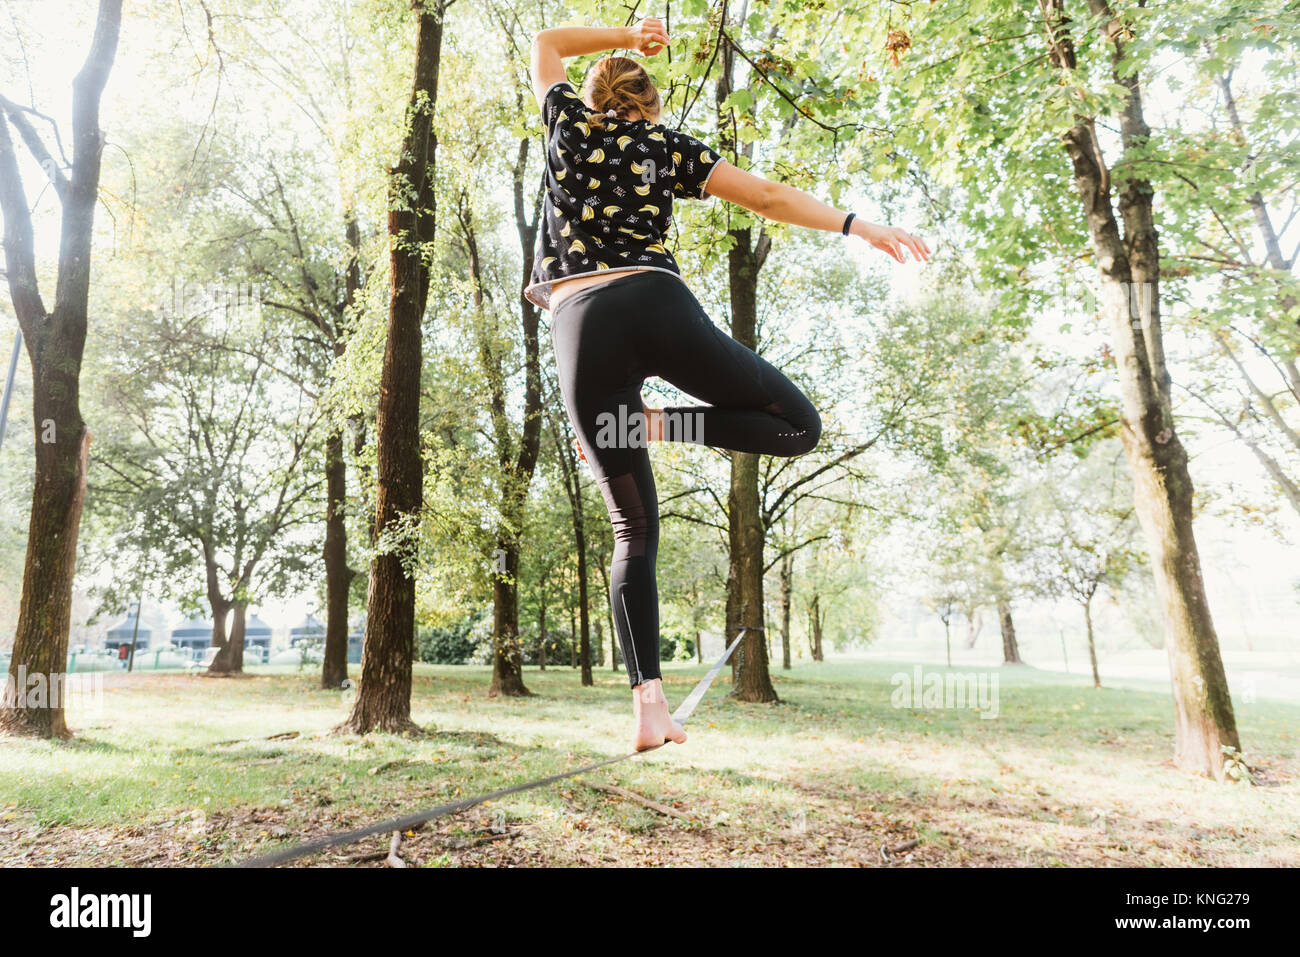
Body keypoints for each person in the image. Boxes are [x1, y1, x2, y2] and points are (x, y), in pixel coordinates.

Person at [527, 16, 930, 751]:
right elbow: (769, 197)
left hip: (578, 325)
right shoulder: (665, 144)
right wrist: (859, 226)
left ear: (588, 96)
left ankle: (650, 707)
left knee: (632, 529)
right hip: (655, 302)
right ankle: (662, 423)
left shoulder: (563, 128)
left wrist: (628, 29)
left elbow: (546, 41)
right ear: (648, 106)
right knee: (797, 425)